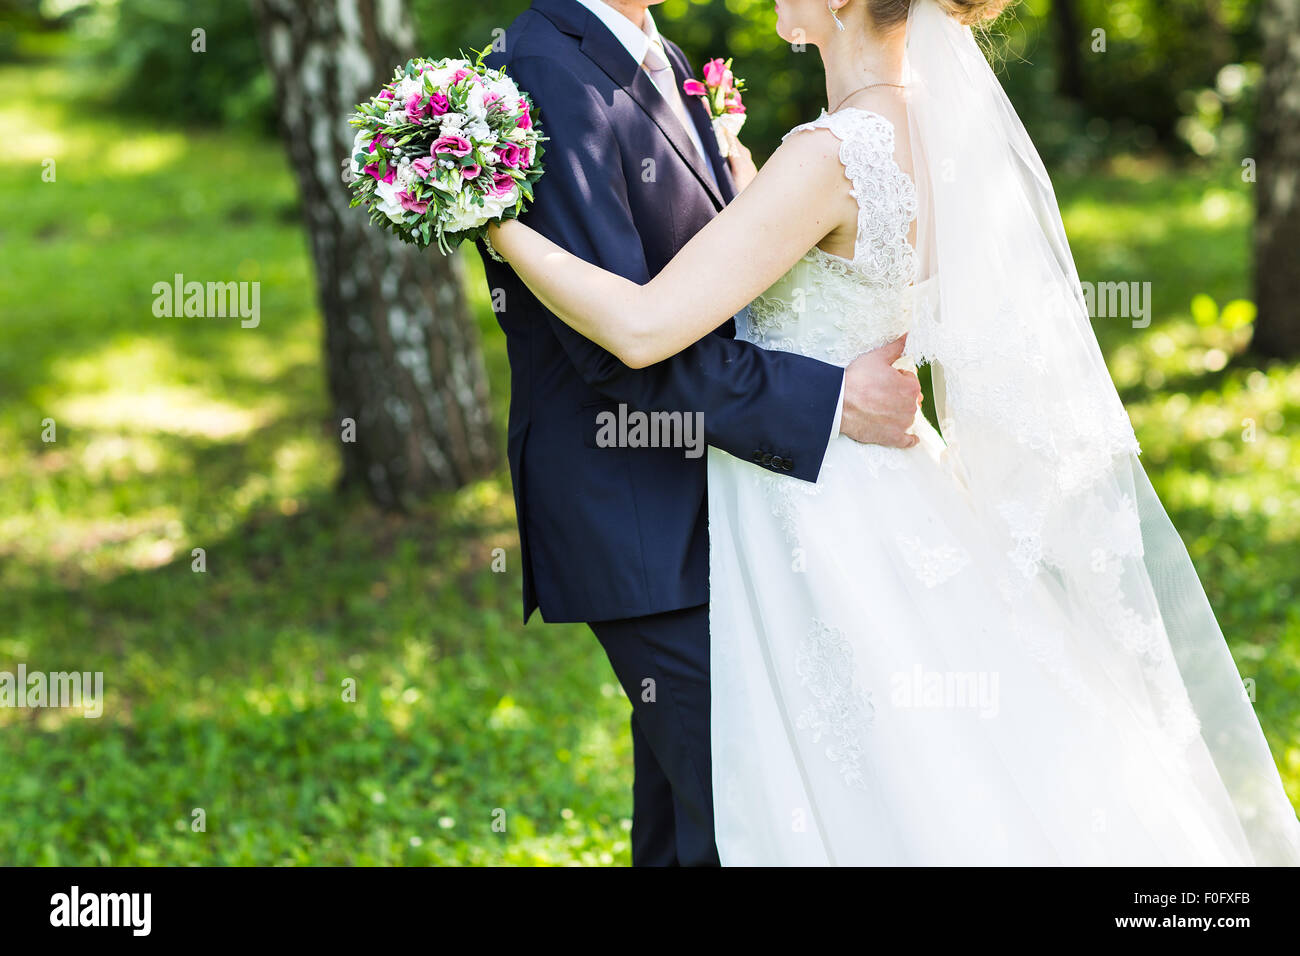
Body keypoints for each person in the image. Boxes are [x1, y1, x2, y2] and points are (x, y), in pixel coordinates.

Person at [487, 0, 1300, 864]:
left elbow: (647, 328)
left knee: (795, 806)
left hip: (806, 506)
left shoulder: (829, 152)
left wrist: (500, 224)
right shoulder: (927, 133)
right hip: (892, 488)